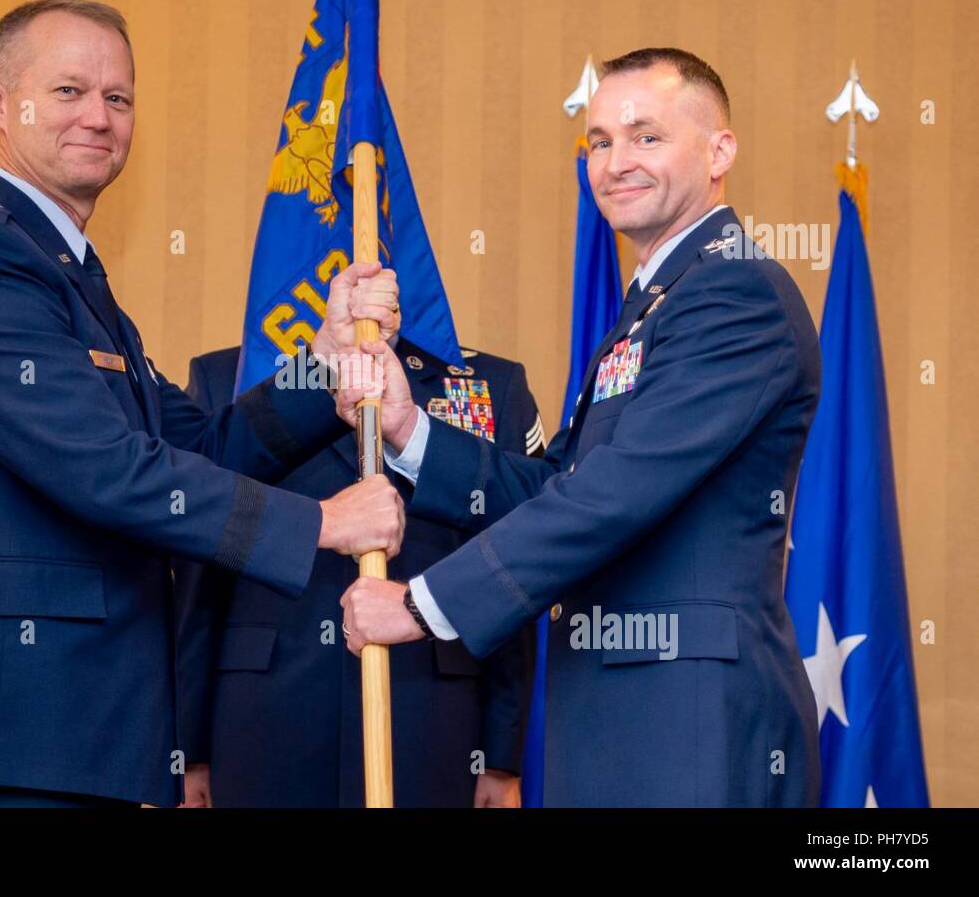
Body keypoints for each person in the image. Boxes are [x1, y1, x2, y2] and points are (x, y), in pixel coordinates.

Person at [0, 0, 404, 809]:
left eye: (118, 98)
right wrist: (322, 523)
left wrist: (323, 362)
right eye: (68, 91)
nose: (99, 118)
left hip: (75, 735)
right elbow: (106, 469)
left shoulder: (71, 274)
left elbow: (199, 448)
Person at [338, 47, 823, 807]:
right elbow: (558, 487)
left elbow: (614, 495)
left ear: (720, 150)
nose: (615, 161)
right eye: (599, 142)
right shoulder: (653, 302)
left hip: (689, 725)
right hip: (615, 720)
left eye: (646, 136)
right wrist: (408, 428)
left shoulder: (735, 291)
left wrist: (419, 604)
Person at [174, 338, 544, 807]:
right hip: (262, 713)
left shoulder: (490, 382)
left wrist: (500, 755)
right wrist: (189, 750)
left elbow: (515, 560)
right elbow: (197, 567)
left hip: (432, 712)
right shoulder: (229, 375)